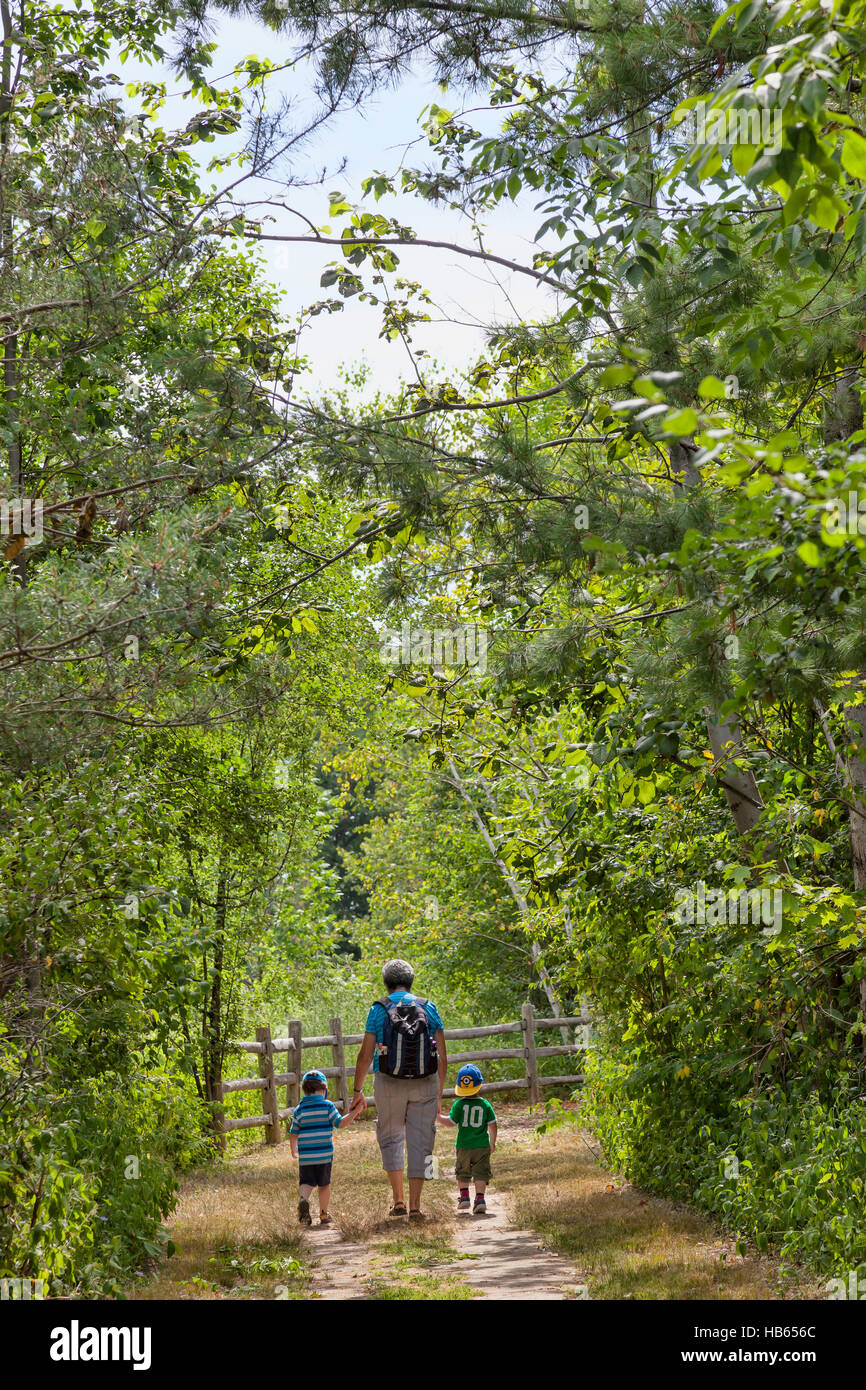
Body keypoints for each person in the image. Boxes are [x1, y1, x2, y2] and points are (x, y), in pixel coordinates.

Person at [348, 958, 447, 1219]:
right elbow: (443, 1057)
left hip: (388, 1082)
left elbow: (365, 1055)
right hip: (426, 1082)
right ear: (411, 982)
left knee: (391, 1137)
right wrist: (438, 1094)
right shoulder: (429, 1007)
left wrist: (357, 1092)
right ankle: (416, 1205)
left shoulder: (378, 1010)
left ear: (386, 983)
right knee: (423, 1141)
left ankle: (398, 1201)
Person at [289, 1068, 356, 1226]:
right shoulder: (327, 1106)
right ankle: (324, 1214)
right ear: (324, 1089)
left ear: (304, 1090)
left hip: (306, 1157)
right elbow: (340, 1123)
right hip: (324, 1155)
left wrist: (293, 1149)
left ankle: (304, 1200)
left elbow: (293, 1132)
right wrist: (355, 1111)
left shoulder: (299, 1109)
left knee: (306, 1182)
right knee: (324, 1185)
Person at [436, 1063, 497, 1214]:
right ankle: (480, 1199)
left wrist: (437, 1117)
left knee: (462, 1171)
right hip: (482, 1146)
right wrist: (492, 1142)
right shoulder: (485, 1104)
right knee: (481, 1172)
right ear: (479, 1085)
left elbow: (450, 1123)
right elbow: (493, 1125)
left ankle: (464, 1197)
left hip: (463, 1146)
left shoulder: (459, 1105)